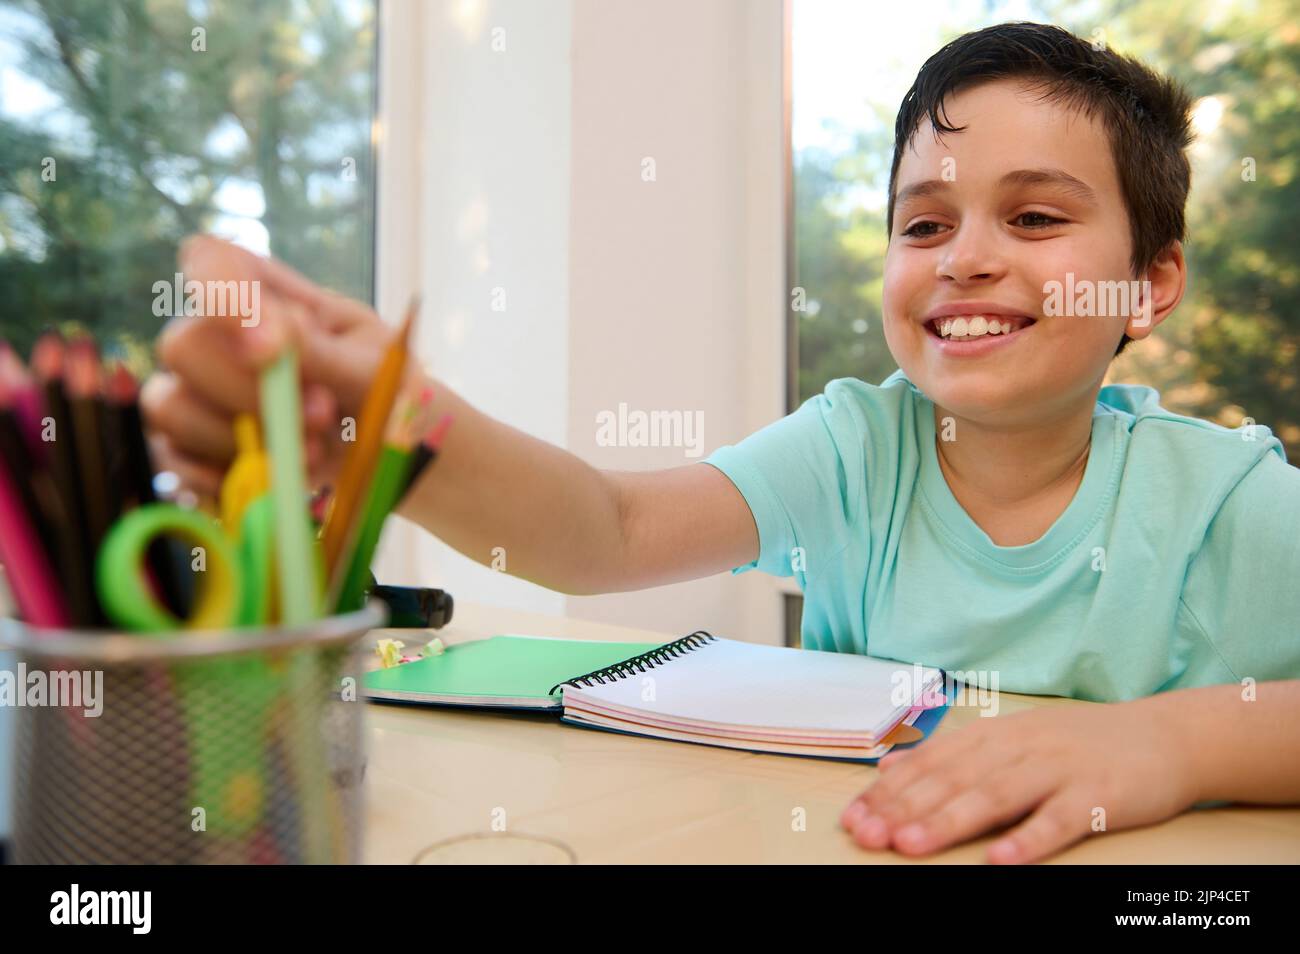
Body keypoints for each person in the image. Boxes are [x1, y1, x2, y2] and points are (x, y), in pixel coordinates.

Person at [144, 22, 1300, 864]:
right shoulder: (855, 447)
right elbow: (609, 530)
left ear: (1147, 289)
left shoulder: (1224, 501)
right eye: (924, 223)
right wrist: (398, 431)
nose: (964, 257)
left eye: (1035, 216)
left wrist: (1166, 747)